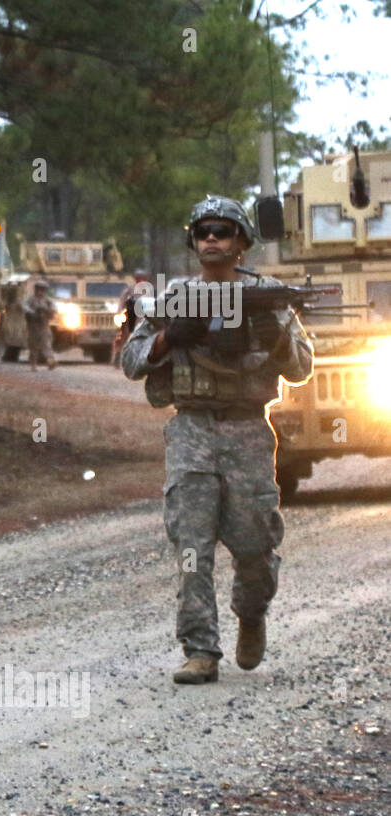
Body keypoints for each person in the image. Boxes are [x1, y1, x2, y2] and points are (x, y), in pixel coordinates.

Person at [121, 196, 312, 684]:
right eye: (203, 231)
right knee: (191, 544)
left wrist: (274, 335)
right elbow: (132, 361)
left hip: (248, 429)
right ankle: (200, 649)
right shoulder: (174, 300)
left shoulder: (267, 296)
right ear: (193, 241)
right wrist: (171, 336)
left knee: (254, 545)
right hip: (192, 429)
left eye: (223, 231)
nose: (211, 239)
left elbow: (300, 368)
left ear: (241, 243)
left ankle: (251, 614)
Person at [113, 267, 151, 366]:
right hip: (130, 316)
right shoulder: (130, 289)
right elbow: (122, 300)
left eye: (142, 278)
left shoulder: (148, 290)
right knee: (124, 336)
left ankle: (137, 359)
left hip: (143, 318)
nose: (140, 280)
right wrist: (119, 311)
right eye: (139, 278)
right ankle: (118, 355)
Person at [21, 280, 57, 370]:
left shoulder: (47, 300)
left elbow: (54, 307)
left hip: (44, 325)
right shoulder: (30, 299)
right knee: (33, 346)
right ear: (36, 289)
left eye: (43, 290)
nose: (41, 291)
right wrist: (32, 312)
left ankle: (50, 361)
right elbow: (24, 306)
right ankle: (33, 364)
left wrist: (49, 311)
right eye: (39, 289)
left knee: (47, 343)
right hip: (33, 326)